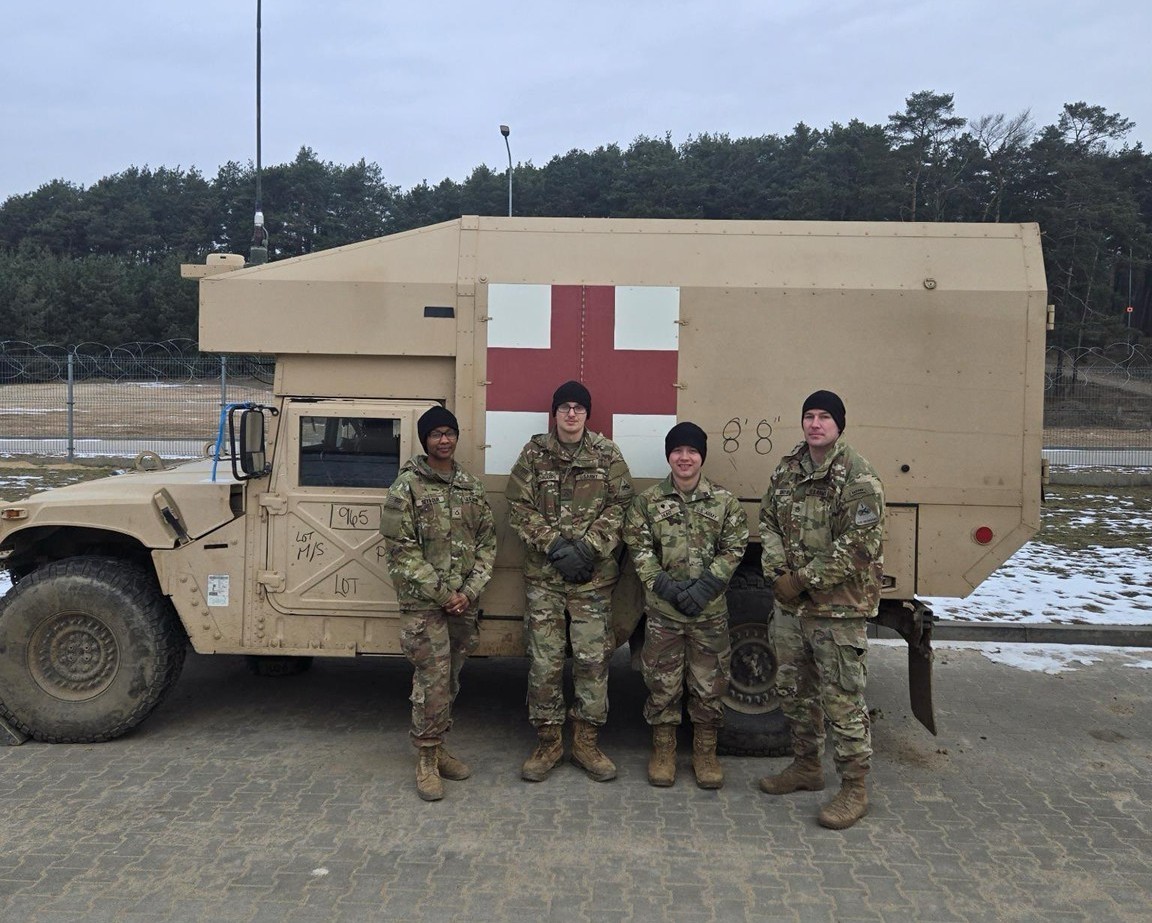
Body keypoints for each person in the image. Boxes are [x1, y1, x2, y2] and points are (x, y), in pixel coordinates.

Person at [758, 390, 885, 829]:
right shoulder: (789, 469)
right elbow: (769, 520)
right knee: (794, 692)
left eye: (824, 417)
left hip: (837, 609)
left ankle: (854, 789)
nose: (815, 424)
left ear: (839, 425)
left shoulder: (859, 477)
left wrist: (801, 581)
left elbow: (858, 547)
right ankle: (806, 767)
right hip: (792, 608)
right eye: (809, 416)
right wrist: (777, 571)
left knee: (842, 701)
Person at [506, 380, 634, 782]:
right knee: (543, 663)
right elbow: (517, 504)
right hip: (545, 578)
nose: (572, 414)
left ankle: (586, 743)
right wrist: (556, 548)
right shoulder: (533, 455)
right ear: (555, 413)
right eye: (565, 407)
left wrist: (589, 549)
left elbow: (622, 504)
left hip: (592, 580)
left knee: (592, 662)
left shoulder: (607, 454)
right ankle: (548, 742)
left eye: (579, 407)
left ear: (587, 414)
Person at [379, 406, 496, 801]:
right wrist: (446, 595)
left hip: (463, 603)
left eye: (449, 433)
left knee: (450, 680)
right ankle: (426, 760)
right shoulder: (406, 487)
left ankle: (440, 745)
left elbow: (487, 544)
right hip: (424, 605)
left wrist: (469, 591)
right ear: (424, 440)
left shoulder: (470, 486)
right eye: (435, 434)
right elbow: (401, 550)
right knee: (431, 681)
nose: (443, 440)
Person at [624, 422, 748, 789]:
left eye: (691, 451)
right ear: (669, 456)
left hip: (708, 614)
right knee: (662, 682)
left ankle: (705, 753)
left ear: (701, 456)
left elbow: (734, 547)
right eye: (677, 451)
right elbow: (640, 550)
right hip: (664, 613)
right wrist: (667, 588)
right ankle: (663, 751)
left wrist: (705, 588)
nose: (684, 457)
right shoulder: (647, 503)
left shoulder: (724, 502)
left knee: (709, 684)